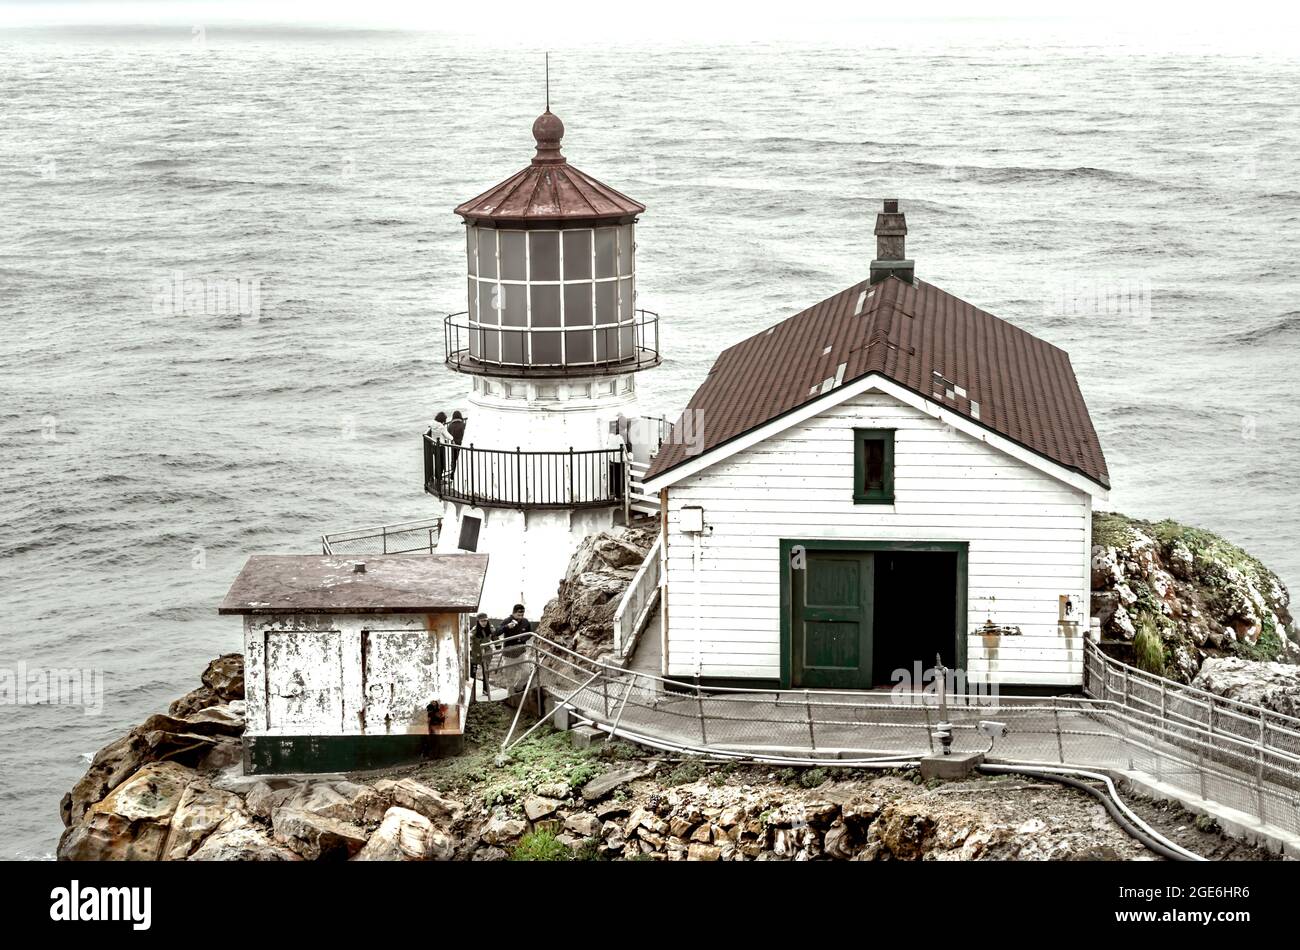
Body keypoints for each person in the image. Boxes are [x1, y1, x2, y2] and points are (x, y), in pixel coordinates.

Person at [499, 604, 532, 693]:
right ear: (513, 613)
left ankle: (518, 687)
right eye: (518, 615)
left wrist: (523, 639)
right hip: (508, 654)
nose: (520, 617)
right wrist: (507, 627)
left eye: (522, 615)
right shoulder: (507, 621)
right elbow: (496, 632)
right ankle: (510, 696)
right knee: (510, 678)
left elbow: (529, 633)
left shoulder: (525, 622)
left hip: (521, 652)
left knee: (527, 673)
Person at [469, 612, 495, 696]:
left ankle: (485, 689)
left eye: (485, 620)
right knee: (473, 673)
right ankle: (471, 692)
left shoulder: (490, 628)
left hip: (486, 652)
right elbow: (469, 638)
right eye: (482, 621)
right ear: (478, 621)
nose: (484, 622)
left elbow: (495, 636)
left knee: (485, 671)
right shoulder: (474, 630)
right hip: (475, 653)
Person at [428, 412, 452, 484]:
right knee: (441, 463)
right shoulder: (441, 427)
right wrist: (453, 438)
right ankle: (439, 479)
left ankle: (437, 478)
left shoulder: (432, 424)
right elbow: (448, 436)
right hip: (440, 446)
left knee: (437, 462)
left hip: (434, 445)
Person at [447, 410, 466, 475]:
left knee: (454, 458)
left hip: (454, 444)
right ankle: (461, 471)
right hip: (461, 444)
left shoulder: (450, 425)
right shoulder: (463, 425)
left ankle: (453, 471)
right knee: (462, 457)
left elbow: (448, 433)